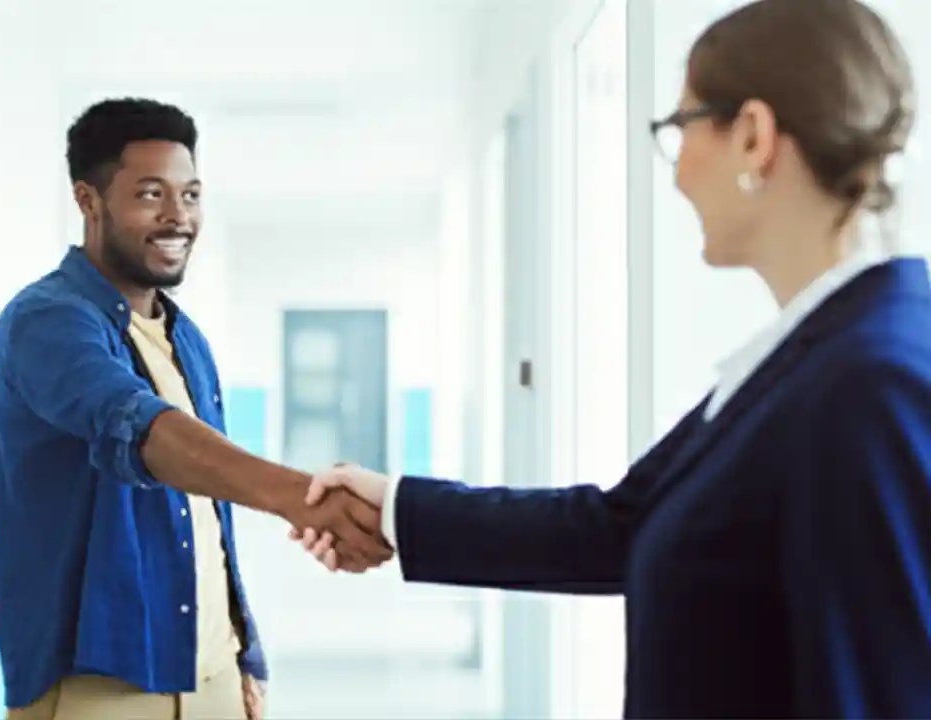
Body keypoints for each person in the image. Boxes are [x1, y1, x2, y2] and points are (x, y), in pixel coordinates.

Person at [294, 0, 931, 716]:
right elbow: (621, 526)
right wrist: (399, 508)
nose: (678, 172)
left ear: (753, 136)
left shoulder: (870, 385)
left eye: (680, 128)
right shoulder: (809, 360)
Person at [0, 98, 391, 719]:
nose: (179, 217)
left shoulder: (185, 338)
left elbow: (204, 520)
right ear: (88, 201)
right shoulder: (48, 322)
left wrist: (242, 653)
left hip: (209, 675)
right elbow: (139, 429)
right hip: (102, 685)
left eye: (192, 195)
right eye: (151, 194)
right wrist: (300, 493)